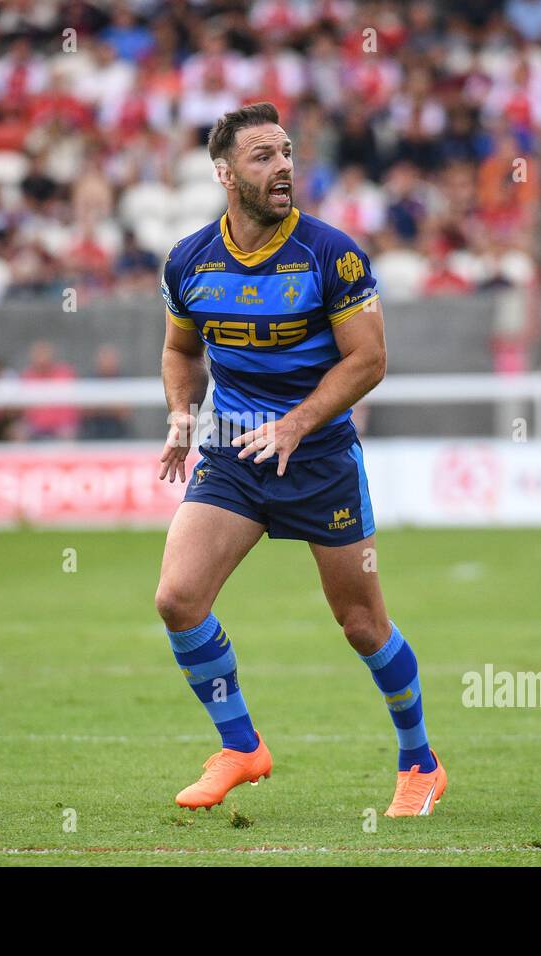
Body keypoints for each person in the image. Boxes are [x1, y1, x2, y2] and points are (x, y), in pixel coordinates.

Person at [156, 103, 446, 817]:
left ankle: (420, 762)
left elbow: (370, 359)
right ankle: (242, 745)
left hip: (317, 459)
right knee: (177, 599)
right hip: (232, 455)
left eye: (286, 152)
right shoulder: (189, 261)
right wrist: (182, 414)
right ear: (225, 174)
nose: (282, 165)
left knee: (362, 624)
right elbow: (180, 350)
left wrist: (297, 422)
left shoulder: (331, 255)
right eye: (262, 156)